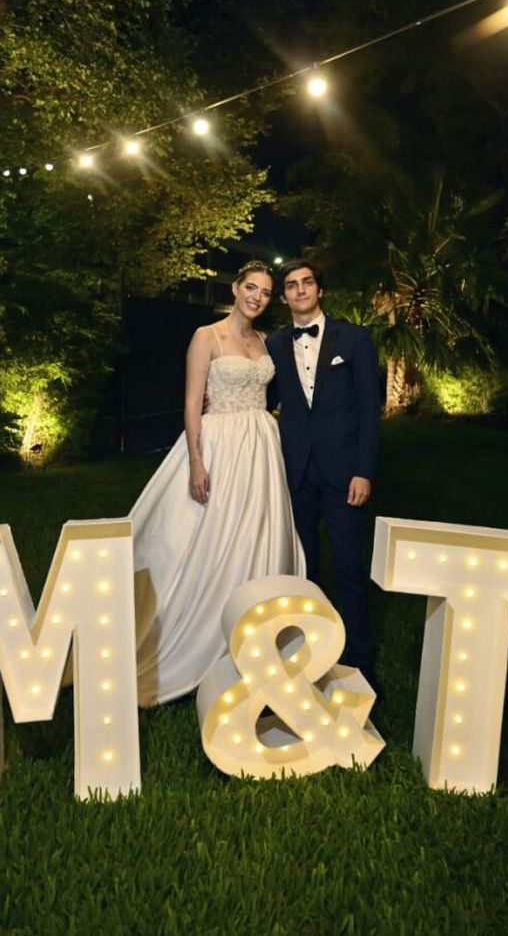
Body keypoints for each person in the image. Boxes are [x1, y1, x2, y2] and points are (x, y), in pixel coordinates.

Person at [131, 261, 305, 707]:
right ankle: (196, 634)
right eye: (251, 287)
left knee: (255, 535)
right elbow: (191, 401)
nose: (257, 297)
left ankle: (251, 634)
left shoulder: (266, 342)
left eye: (266, 292)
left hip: (262, 449)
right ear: (235, 287)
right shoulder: (206, 336)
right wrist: (196, 460)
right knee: (209, 535)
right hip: (220, 445)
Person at [266, 259, 380, 679]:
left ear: (320, 290)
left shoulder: (355, 339)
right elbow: (265, 398)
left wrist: (363, 470)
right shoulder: (275, 345)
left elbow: (370, 410)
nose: (299, 290)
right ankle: (310, 663)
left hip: (345, 474)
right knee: (304, 570)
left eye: (307, 282)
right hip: (295, 473)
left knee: (349, 568)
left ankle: (361, 665)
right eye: (291, 285)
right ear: (283, 297)